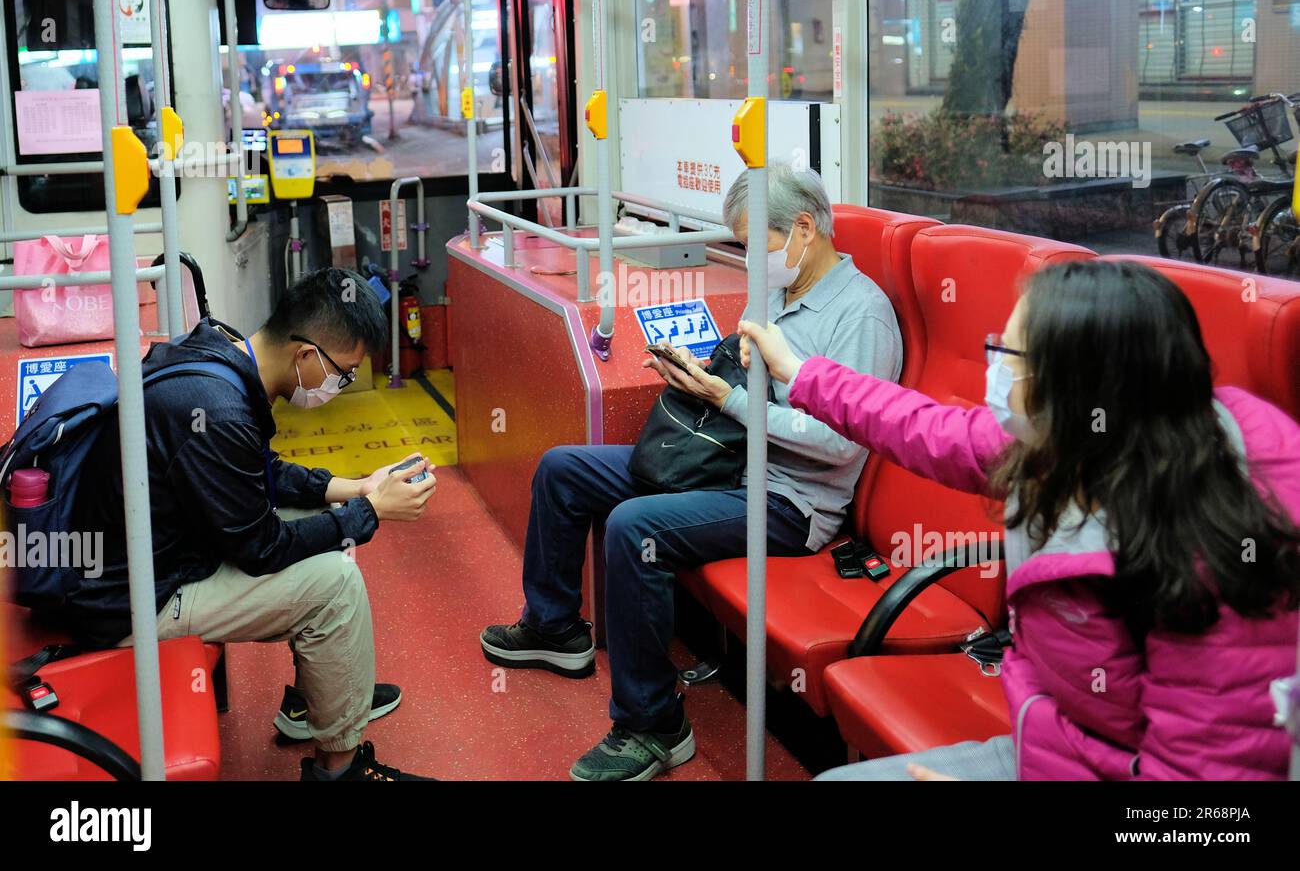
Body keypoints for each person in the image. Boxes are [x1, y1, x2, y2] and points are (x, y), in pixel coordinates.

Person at [738, 259, 1300, 781]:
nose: (997, 373)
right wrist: (801, 373)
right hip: (1056, 739)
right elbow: (927, 430)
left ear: (1078, 386)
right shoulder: (1077, 438)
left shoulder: (1217, 560)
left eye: (1013, 357)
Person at [481, 164, 904, 781]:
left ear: (804, 229)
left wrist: (727, 401)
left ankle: (654, 724)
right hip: (727, 462)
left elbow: (840, 445)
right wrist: (699, 379)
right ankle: (555, 628)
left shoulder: (861, 317)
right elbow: (743, 384)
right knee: (563, 469)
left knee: (634, 526)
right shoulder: (775, 293)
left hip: (788, 500)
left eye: (755, 244)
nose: (750, 260)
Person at [60, 267, 439, 782]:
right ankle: (340, 771)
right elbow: (262, 548)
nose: (341, 385)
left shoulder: (223, 351)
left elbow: (258, 470)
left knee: (326, 521)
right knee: (336, 585)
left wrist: (356, 487)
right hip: (133, 604)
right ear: (306, 355)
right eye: (343, 373)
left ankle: (317, 699)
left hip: (155, 556)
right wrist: (370, 514)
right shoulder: (219, 410)